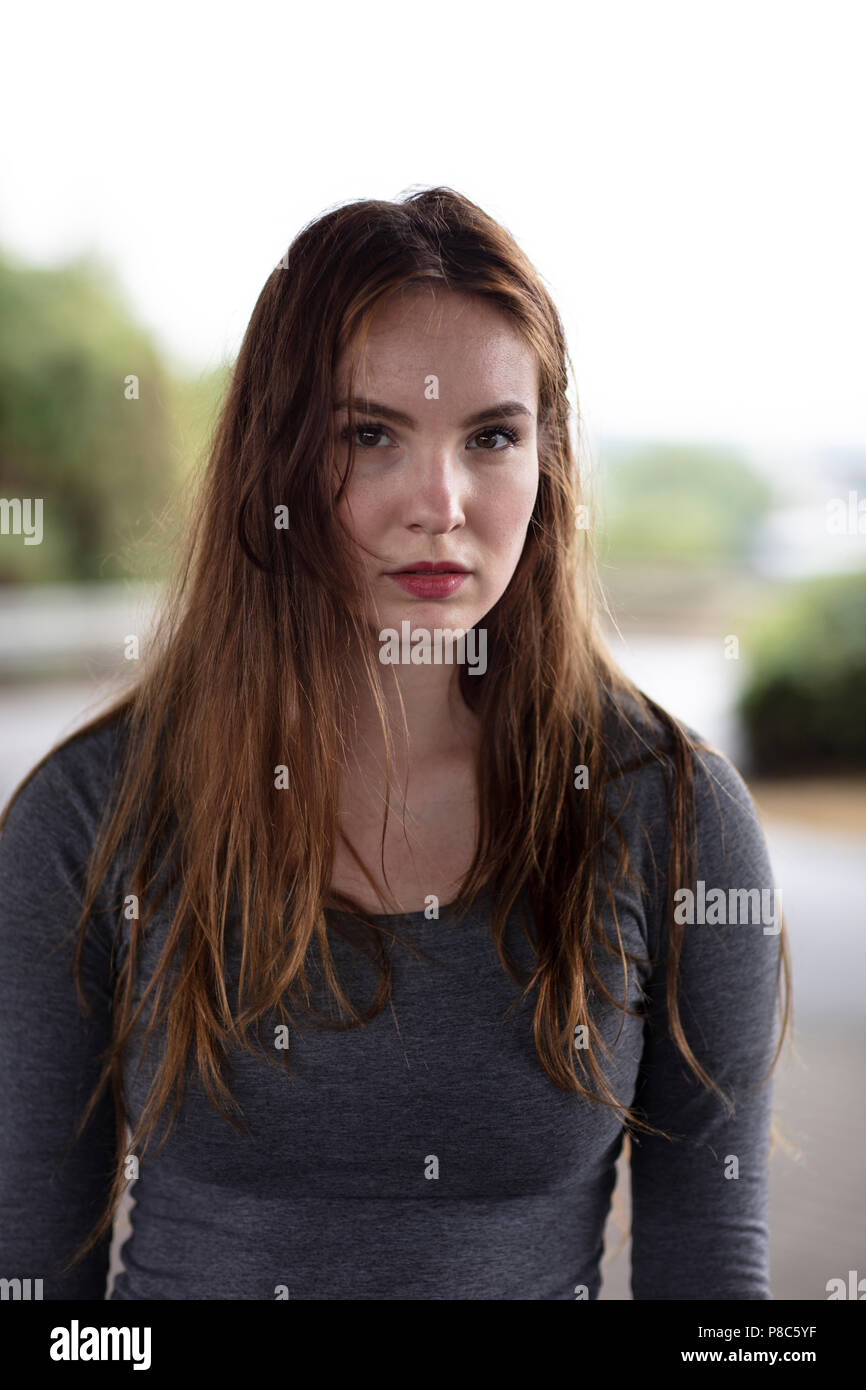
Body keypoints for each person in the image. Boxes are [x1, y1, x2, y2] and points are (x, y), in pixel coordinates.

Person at [0, 186, 791, 1300]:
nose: (440, 501)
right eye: (369, 434)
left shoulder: (670, 813)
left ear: (546, 462)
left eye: (490, 436)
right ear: (274, 458)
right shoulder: (91, 814)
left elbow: (712, 1286)